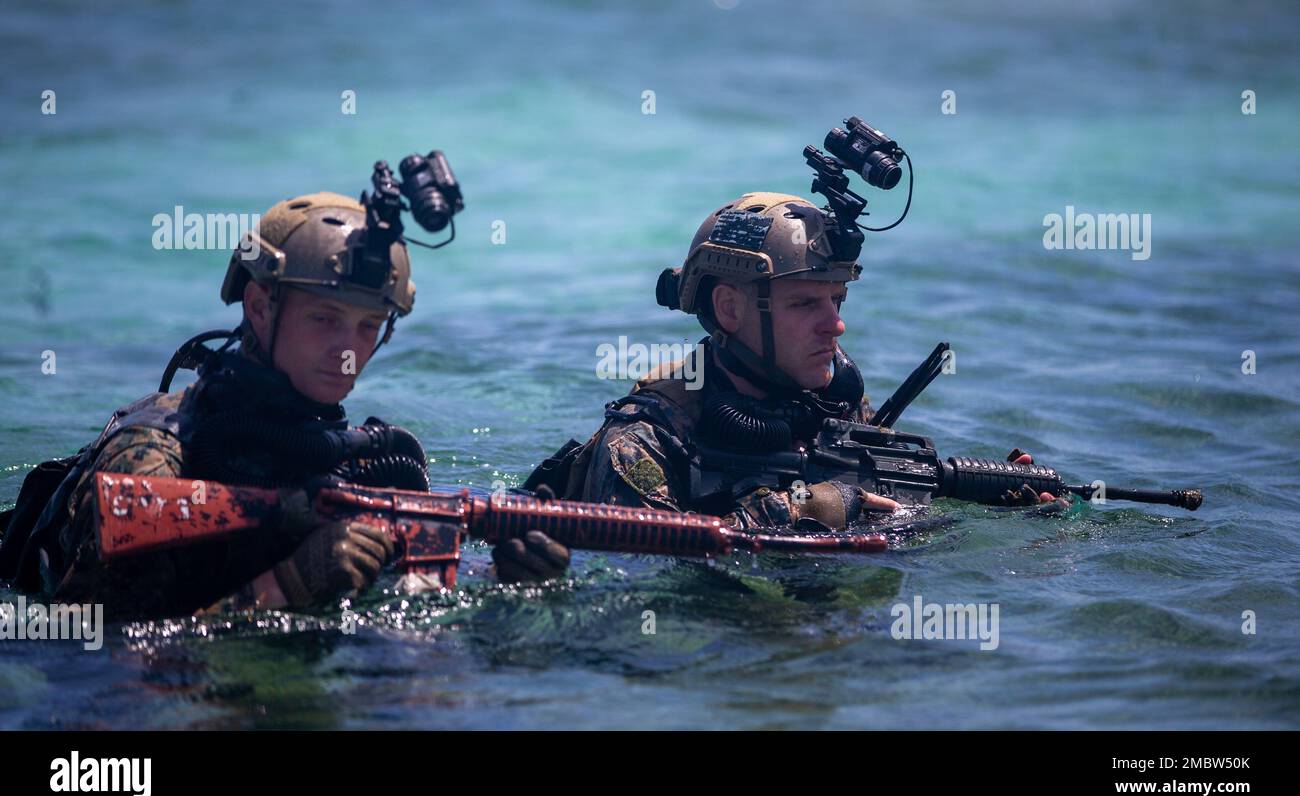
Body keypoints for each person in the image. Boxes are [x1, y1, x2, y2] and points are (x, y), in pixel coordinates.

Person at [0, 190, 566, 619]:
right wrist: (283, 590)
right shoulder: (154, 461)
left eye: (370, 327)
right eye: (324, 319)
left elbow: (404, 625)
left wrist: (505, 584)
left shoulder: (359, 461)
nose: (349, 351)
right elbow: (91, 663)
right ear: (261, 306)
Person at [528, 192, 1057, 531]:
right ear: (730, 309)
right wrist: (793, 511)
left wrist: (990, 503)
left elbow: (884, 513)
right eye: (805, 303)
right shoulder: (645, 440)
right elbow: (643, 584)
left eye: (838, 301)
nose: (836, 325)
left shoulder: (836, 408)